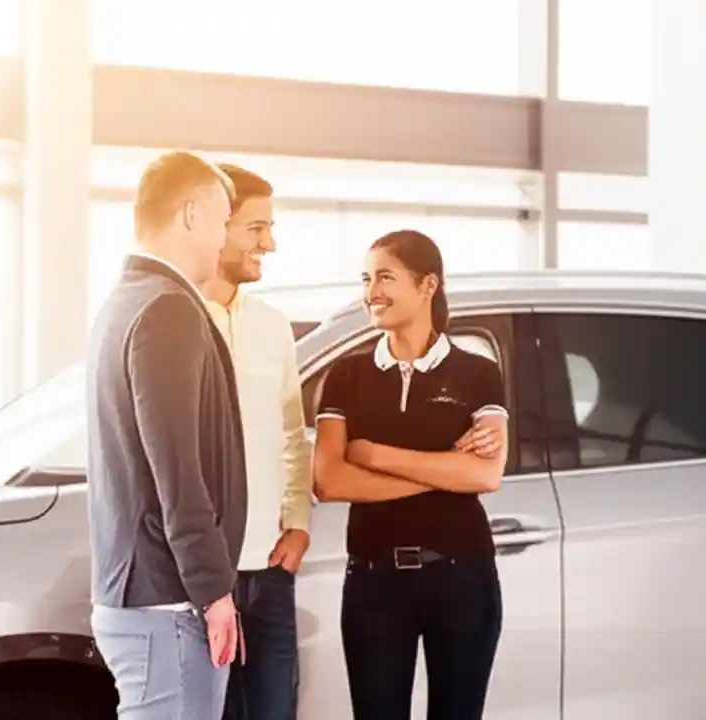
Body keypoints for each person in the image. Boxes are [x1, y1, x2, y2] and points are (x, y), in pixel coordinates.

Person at [311, 230, 506, 720]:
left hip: (462, 577)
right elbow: (330, 480)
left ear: (427, 285)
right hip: (373, 582)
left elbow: (485, 475)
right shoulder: (347, 376)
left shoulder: (478, 373)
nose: (371, 291)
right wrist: (444, 470)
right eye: (366, 278)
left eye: (385, 277)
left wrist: (373, 453)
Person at [86, 150, 248, 719]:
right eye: (224, 219)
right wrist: (214, 591)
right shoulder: (167, 309)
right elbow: (178, 471)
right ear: (190, 215)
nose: (226, 238)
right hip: (169, 604)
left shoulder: (124, 301)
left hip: (146, 599)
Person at [198, 164, 310, 720]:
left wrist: (298, 521)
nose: (270, 242)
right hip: (198, 578)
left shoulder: (273, 325)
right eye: (256, 227)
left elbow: (292, 432)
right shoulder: (176, 321)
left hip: (269, 570)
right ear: (215, 225)